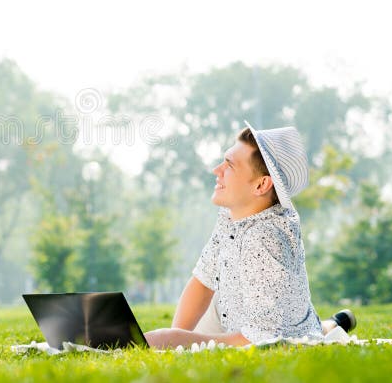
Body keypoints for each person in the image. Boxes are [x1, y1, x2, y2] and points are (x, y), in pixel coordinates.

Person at [145, 121, 356, 349]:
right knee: (170, 336)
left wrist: (171, 340)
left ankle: (324, 327)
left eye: (230, 166)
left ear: (261, 185)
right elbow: (203, 281)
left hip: (271, 328)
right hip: (232, 308)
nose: (217, 170)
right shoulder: (230, 215)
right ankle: (328, 325)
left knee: (303, 333)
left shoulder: (265, 239)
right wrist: (175, 337)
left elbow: (261, 339)